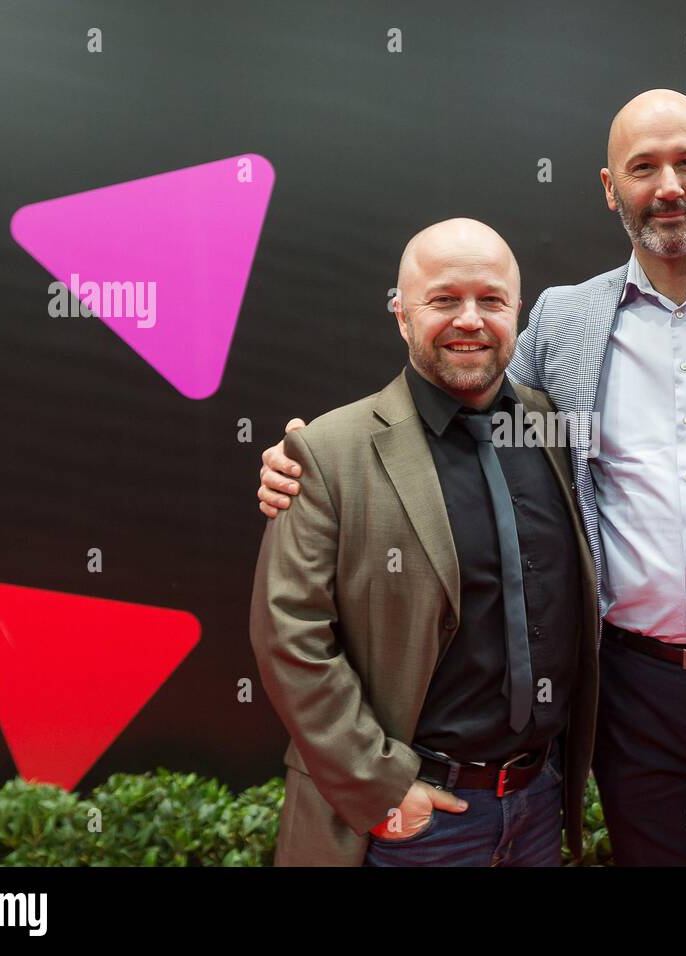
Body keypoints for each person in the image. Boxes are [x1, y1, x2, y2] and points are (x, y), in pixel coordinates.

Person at [258, 90, 686, 866]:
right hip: (628, 694)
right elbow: (465, 398)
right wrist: (315, 458)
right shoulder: (564, 319)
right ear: (611, 189)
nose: (668, 185)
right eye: (642, 167)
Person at [250, 218, 598, 866]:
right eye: (444, 299)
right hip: (414, 824)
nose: (470, 319)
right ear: (401, 314)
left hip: (537, 805)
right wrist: (386, 789)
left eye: (491, 300)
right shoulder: (326, 453)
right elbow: (288, 634)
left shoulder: (554, 428)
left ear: (517, 312)